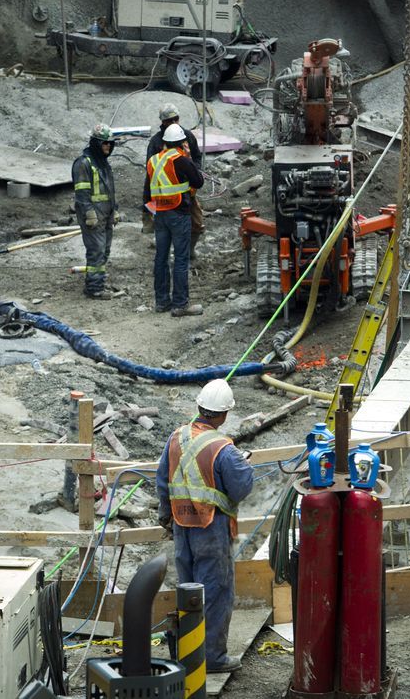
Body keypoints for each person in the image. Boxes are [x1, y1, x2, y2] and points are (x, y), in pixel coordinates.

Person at [156, 379, 254, 673]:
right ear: (223, 415)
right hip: (210, 529)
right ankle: (211, 658)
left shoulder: (176, 437)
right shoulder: (222, 448)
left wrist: (166, 516)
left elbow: (163, 481)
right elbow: (240, 488)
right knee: (214, 591)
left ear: (199, 407)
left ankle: (187, 653)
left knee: (188, 592)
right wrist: (243, 464)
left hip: (182, 526)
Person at [145, 123, 205, 316]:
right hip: (179, 214)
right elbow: (199, 182)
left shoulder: (153, 161)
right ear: (182, 143)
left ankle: (162, 302)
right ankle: (180, 304)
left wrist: (150, 213)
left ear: (164, 143)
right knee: (180, 258)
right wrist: (188, 157)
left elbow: (147, 193)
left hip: (160, 215)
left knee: (161, 258)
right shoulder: (182, 160)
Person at [145, 103, 206, 259]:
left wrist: (193, 171)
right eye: (169, 120)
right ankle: (173, 253)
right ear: (162, 122)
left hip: (186, 191)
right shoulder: (156, 142)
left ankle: (189, 251)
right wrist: (147, 203)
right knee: (167, 228)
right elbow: (150, 171)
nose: (173, 123)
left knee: (197, 223)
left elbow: (197, 158)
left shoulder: (186, 136)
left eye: (175, 119)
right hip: (164, 196)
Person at [72, 123, 117, 299]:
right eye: (104, 143)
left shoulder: (103, 163)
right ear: (95, 143)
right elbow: (81, 192)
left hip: (105, 214)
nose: (108, 146)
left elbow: (109, 190)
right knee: (96, 250)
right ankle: (94, 288)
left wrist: (115, 210)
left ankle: (98, 280)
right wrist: (89, 213)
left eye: (110, 143)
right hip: (94, 216)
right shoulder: (84, 163)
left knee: (104, 250)